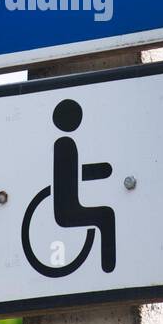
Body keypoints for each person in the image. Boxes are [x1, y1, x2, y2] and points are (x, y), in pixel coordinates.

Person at [50, 99, 116, 273]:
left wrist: (104, 170)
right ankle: (108, 266)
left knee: (106, 215)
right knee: (106, 215)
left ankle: (108, 268)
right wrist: (105, 170)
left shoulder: (66, 143)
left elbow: (77, 172)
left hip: (68, 204)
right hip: (68, 210)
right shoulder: (66, 145)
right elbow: (75, 172)